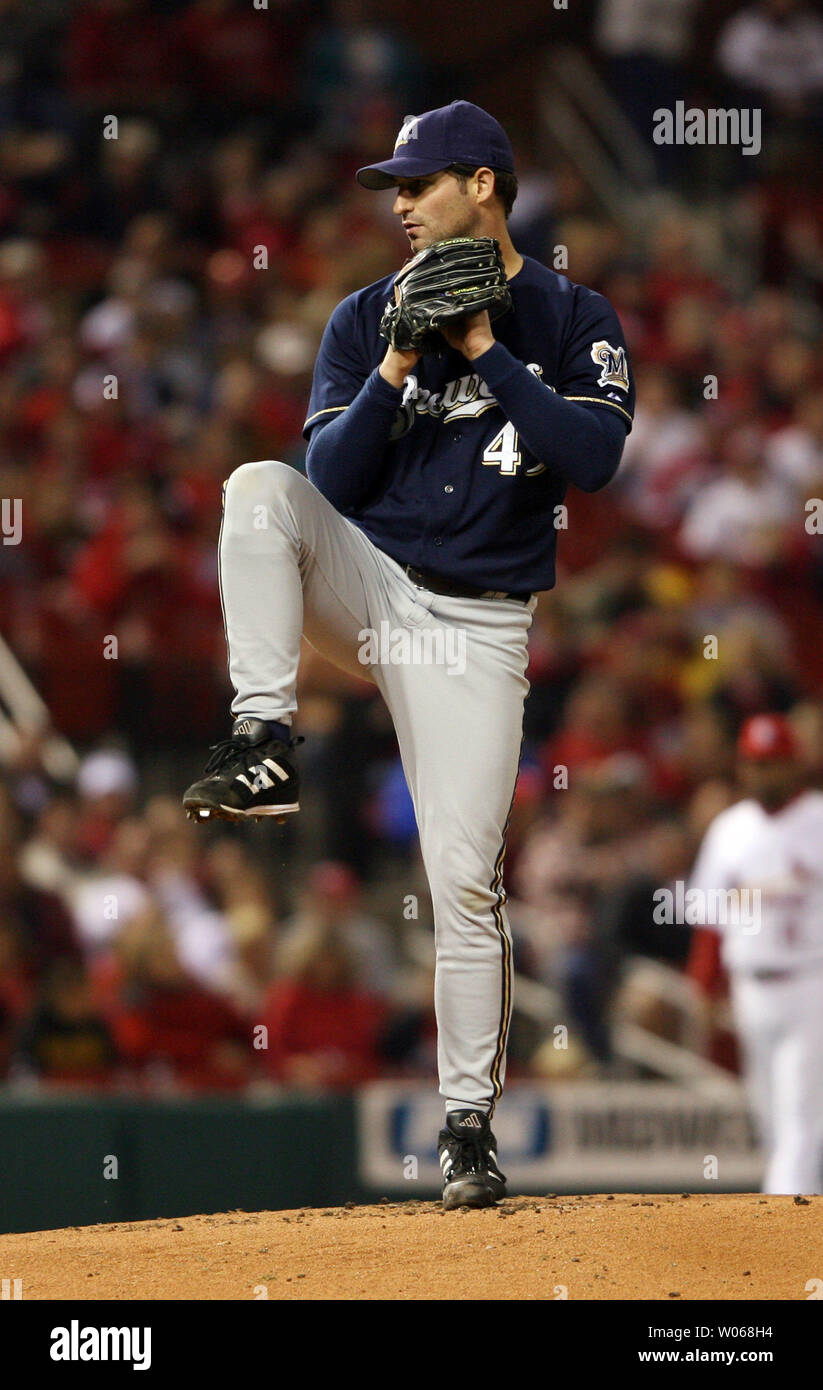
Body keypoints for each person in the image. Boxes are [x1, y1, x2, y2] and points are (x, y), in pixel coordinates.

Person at [183, 100, 634, 1208]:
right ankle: (262, 735)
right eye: (393, 186)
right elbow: (323, 490)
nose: (397, 204)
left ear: (481, 185)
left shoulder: (573, 314)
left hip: (479, 625)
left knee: (464, 882)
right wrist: (395, 363)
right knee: (256, 488)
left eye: (416, 184)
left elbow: (593, 457)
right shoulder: (365, 316)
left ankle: (468, 1128)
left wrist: (485, 349)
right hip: (371, 583)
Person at [687, 713, 823, 1193]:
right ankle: (799, 1224)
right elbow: (707, 917)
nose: (766, 774)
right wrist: (703, 986)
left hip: (810, 985)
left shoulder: (818, 821)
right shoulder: (730, 829)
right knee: (770, 1117)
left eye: (775, 763)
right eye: (756, 764)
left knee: (801, 1119)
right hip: (750, 989)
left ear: (794, 764)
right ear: (743, 767)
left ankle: (783, 1231)